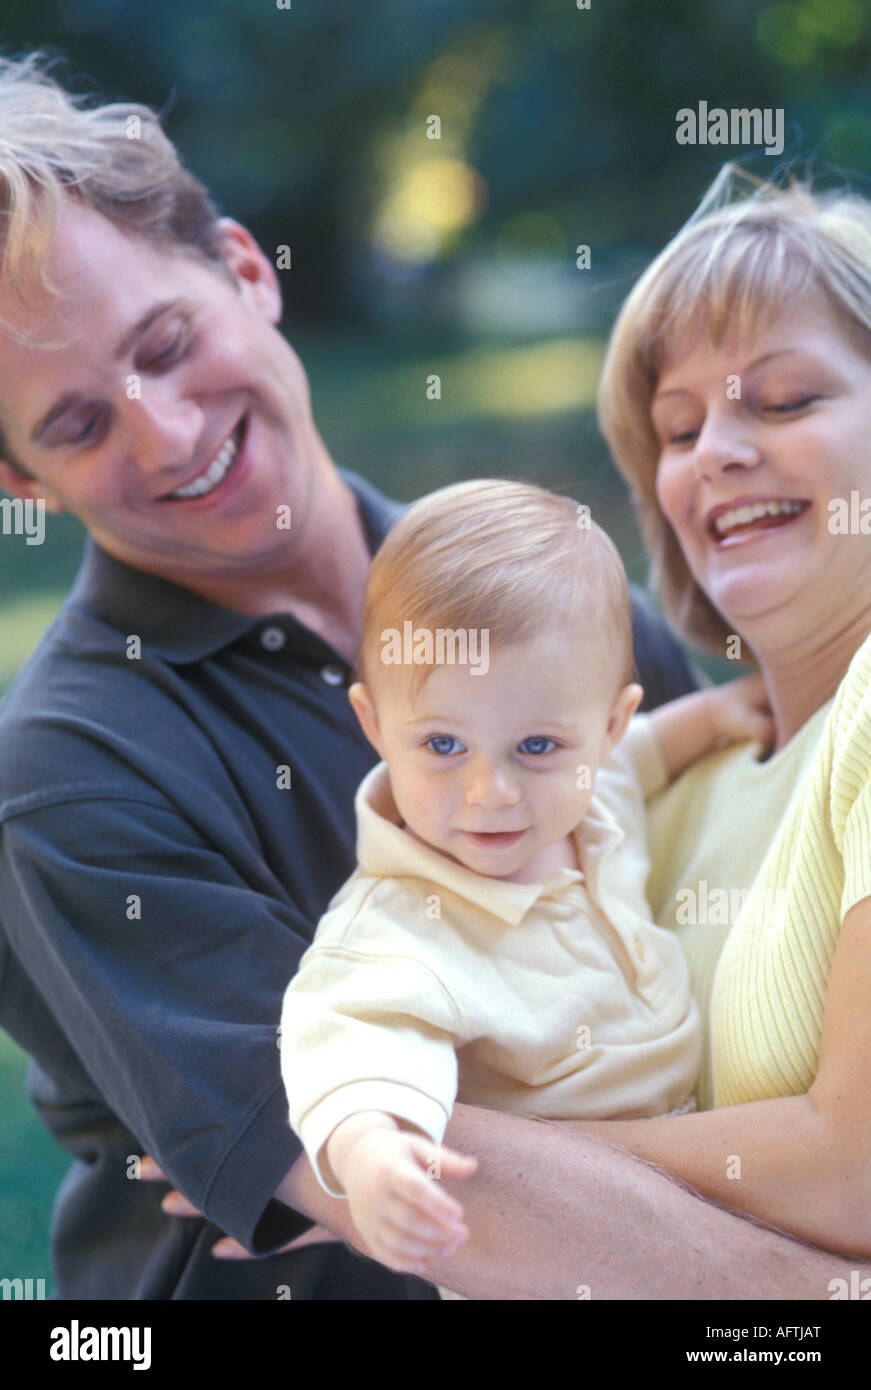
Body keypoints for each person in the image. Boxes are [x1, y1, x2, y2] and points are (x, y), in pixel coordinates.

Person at [0, 53, 700, 1299]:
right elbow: (415, 1181)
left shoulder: (547, 604)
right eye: (77, 424)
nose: (165, 431)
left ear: (248, 271)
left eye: (166, 343)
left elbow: (744, 958)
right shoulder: (66, 773)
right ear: (18, 483)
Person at [167, 164, 871, 1300]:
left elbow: (856, 1175)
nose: (720, 450)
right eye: (678, 427)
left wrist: (410, 1184)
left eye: (783, 400)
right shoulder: (639, 801)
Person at [278, 477, 775, 1292]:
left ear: (603, 728)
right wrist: (371, 1156)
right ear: (372, 724)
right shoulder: (399, 928)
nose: (491, 792)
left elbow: (642, 755)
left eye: (536, 746)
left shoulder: (589, 797)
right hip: (556, 1248)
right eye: (441, 745)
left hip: (695, 1199)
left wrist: (718, 714)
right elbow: (351, 1046)